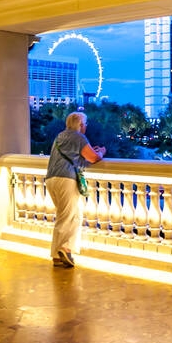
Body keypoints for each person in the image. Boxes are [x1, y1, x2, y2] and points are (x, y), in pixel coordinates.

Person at [45, 110, 104, 268]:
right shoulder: (79, 137)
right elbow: (93, 158)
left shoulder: (60, 136)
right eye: (85, 124)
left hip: (51, 179)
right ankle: (65, 249)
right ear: (80, 125)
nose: (85, 127)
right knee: (71, 216)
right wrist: (101, 152)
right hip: (66, 179)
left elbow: (77, 156)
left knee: (63, 216)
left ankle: (56, 255)